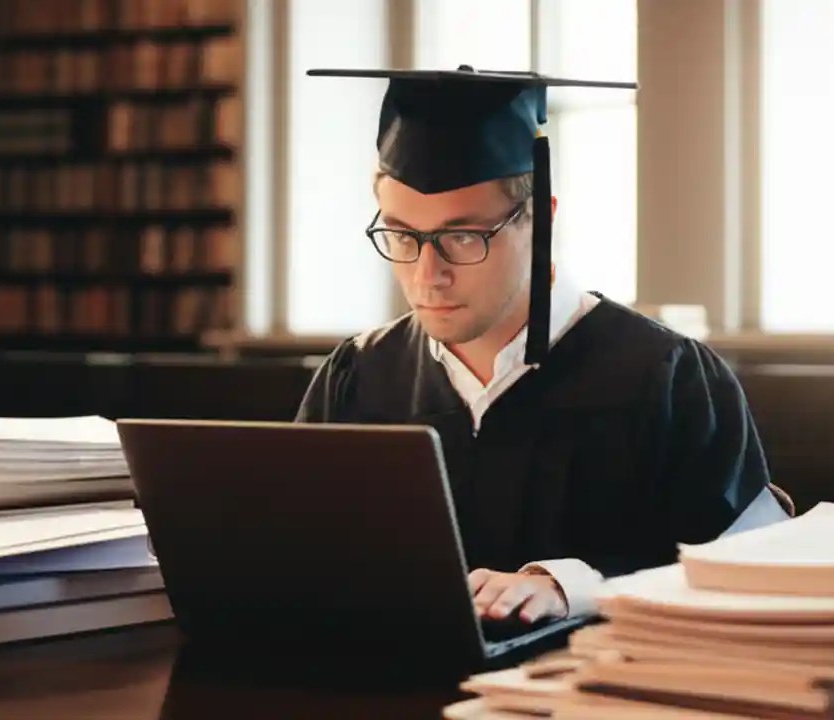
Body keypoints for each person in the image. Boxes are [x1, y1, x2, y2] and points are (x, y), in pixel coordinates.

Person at [295, 66, 791, 626]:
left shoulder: (664, 375)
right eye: (403, 236)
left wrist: (569, 586)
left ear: (540, 220)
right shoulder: (359, 375)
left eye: (463, 237)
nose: (427, 275)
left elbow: (747, 574)